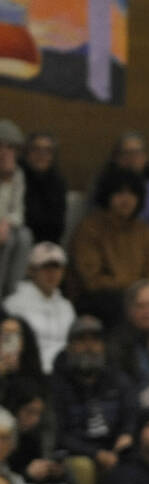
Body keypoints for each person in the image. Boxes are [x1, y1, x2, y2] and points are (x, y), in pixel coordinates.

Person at [50, 315, 137, 484]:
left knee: (132, 473)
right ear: (69, 346)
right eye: (81, 340)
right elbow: (57, 433)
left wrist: (127, 435)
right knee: (84, 469)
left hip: (114, 452)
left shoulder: (118, 379)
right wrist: (95, 453)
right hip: (74, 453)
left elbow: (132, 415)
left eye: (95, 340)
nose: (89, 346)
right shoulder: (56, 383)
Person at [69, 166, 149, 329]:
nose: (126, 199)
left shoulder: (145, 231)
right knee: (120, 305)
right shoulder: (89, 228)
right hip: (95, 298)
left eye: (131, 193)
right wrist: (133, 288)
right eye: (119, 193)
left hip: (137, 295)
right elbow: (91, 280)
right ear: (108, 196)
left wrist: (142, 293)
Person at [4, 242, 76, 374]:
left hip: (63, 375)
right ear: (31, 270)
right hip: (29, 374)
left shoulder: (67, 308)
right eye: (45, 267)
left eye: (56, 267)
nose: (52, 273)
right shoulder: (13, 305)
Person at [102, 130, 149, 225]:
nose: (132, 158)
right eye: (126, 153)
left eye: (137, 153)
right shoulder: (103, 185)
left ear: (146, 157)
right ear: (116, 158)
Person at [0, 118, 33, 299]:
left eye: (10, 147)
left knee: (24, 236)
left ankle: (12, 295)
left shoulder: (17, 175)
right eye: (1, 146)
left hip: (4, 227)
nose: (5, 152)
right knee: (9, 240)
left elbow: (18, 212)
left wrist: (5, 223)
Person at [20, 130, 67, 247]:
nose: (42, 155)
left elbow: (58, 226)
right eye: (36, 149)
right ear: (27, 152)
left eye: (47, 150)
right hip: (18, 241)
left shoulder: (58, 183)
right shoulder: (16, 178)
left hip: (47, 244)